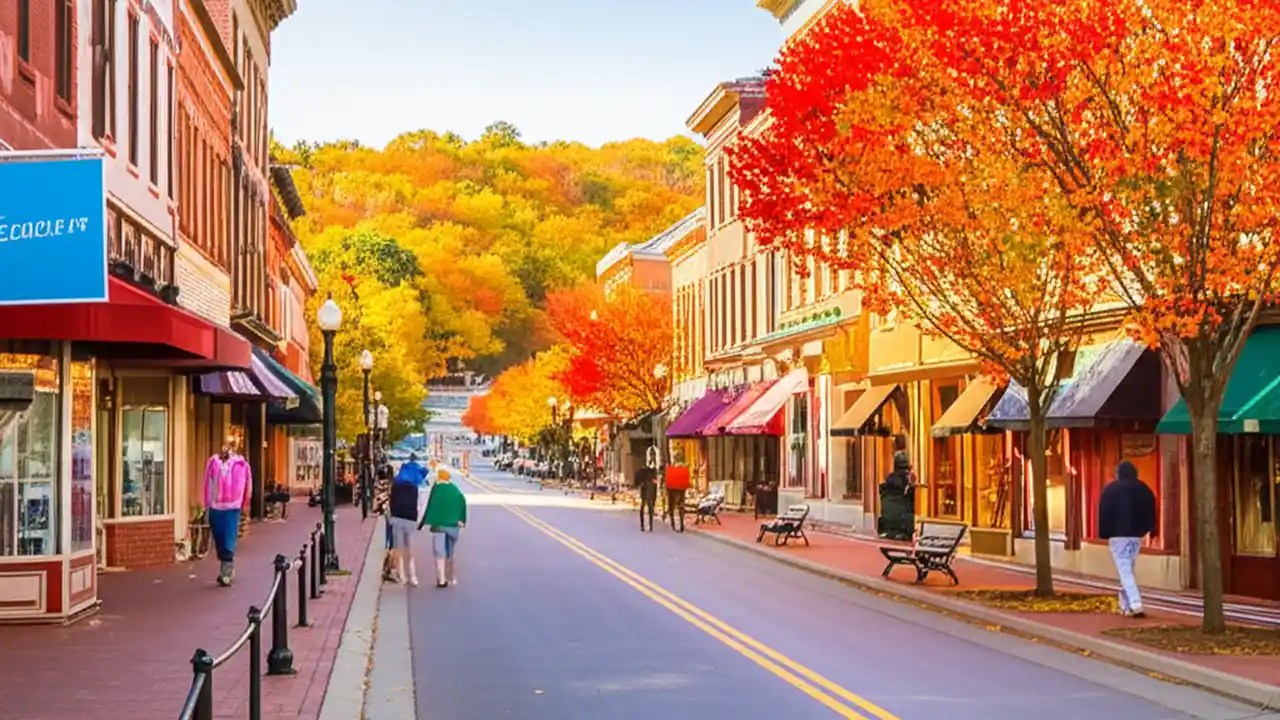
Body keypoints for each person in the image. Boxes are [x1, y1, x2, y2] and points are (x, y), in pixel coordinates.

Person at [1098, 460, 1156, 618]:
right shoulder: (1144, 489)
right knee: (1128, 568)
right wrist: (1149, 529)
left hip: (1118, 535)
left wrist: (1104, 533)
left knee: (1124, 570)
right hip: (1136, 535)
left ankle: (1135, 603)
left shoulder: (1110, 490)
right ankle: (1125, 605)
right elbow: (1150, 510)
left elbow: (1105, 512)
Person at [203, 443, 251, 587]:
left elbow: (248, 484)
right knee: (218, 536)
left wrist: (245, 503)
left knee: (228, 538)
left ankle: (227, 571)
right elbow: (207, 483)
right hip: (215, 506)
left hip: (232, 506)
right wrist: (207, 502)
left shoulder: (241, 464)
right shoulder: (213, 463)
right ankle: (225, 563)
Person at [419, 467, 467, 588]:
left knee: (439, 552)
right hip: (453, 526)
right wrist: (462, 520)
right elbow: (462, 502)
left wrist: (422, 522)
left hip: (438, 525)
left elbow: (429, 505)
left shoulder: (436, 488)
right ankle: (451, 576)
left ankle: (441, 579)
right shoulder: (455, 490)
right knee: (450, 552)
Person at [388, 461, 422, 587]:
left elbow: (392, 501)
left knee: (399, 549)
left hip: (397, 518)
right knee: (410, 551)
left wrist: (392, 515)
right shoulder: (414, 487)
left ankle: (402, 576)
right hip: (410, 519)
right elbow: (416, 503)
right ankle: (413, 576)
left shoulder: (396, 485)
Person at [878, 451, 917, 541]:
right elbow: (912, 501)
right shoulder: (906, 482)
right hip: (901, 524)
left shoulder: (888, 481)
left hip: (886, 523)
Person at [636, 466, 657, 532]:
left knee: (643, 508)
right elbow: (654, 488)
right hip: (649, 494)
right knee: (649, 509)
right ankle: (650, 526)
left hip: (645, 494)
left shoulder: (644, 475)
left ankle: (643, 525)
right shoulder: (652, 476)